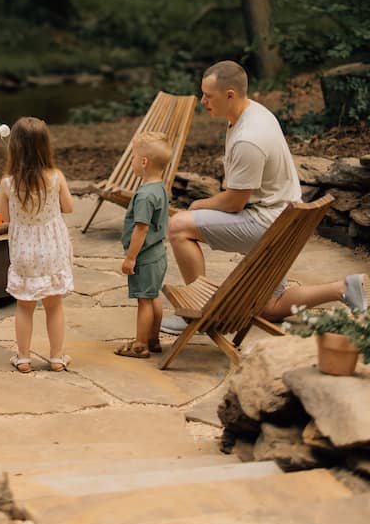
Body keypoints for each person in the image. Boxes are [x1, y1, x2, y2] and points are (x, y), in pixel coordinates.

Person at [161, 59, 366, 334]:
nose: (202, 101)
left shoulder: (249, 137)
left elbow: (235, 202)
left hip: (268, 224)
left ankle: (198, 315)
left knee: (179, 226)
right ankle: (342, 288)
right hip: (285, 219)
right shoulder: (252, 112)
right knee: (268, 307)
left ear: (230, 94)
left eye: (208, 96)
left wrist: (198, 205)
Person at [0, 117, 74, 373]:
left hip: (23, 252)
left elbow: (5, 218)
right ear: (45, 146)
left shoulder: (8, 183)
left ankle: (23, 358)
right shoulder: (56, 177)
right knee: (53, 306)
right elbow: (69, 208)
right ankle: (56, 357)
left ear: (14, 148)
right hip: (52, 249)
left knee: (24, 305)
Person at [114, 131, 172, 359]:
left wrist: (130, 257)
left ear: (144, 162)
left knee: (144, 301)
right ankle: (153, 338)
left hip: (145, 256)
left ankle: (140, 344)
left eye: (133, 157)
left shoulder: (146, 195)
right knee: (152, 296)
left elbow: (141, 228)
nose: (131, 162)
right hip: (158, 254)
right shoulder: (160, 188)